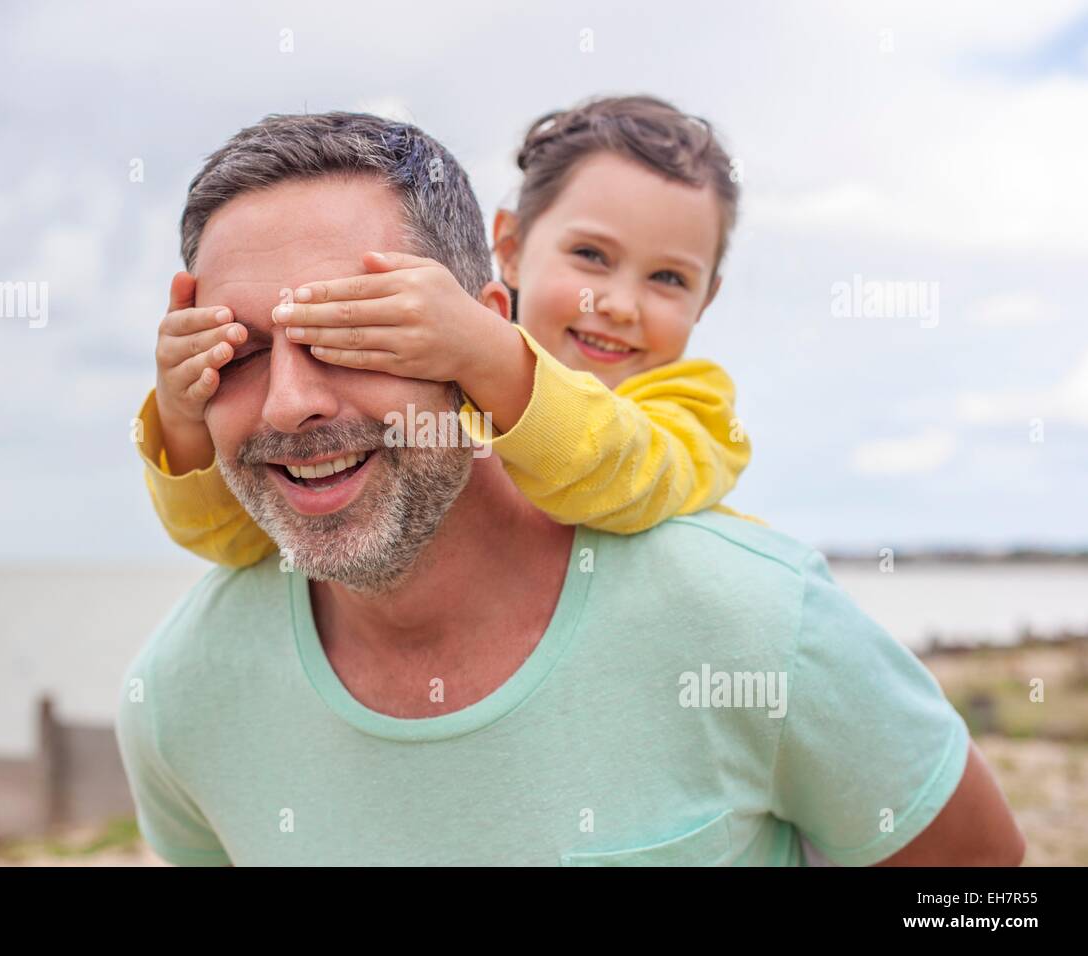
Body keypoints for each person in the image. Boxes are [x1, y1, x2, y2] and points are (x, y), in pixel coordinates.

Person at [115, 110, 1024, 866]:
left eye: (356, 334)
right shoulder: (182, 693)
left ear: (484, 324)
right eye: (240, 352)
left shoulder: (750, 613)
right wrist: (186, 424)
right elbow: (229, 523)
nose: (292, 404)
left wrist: (488, 360)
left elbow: (983, 884)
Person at [134, 96, 759, 570]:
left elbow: (624, 477)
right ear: (509, 248)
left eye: (670, 278)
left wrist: (485, 348)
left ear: (708, 299)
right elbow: (228, 537)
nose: (621, 305)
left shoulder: (693, 402)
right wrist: (184, 413)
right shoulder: (440, 375)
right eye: (592, 256)